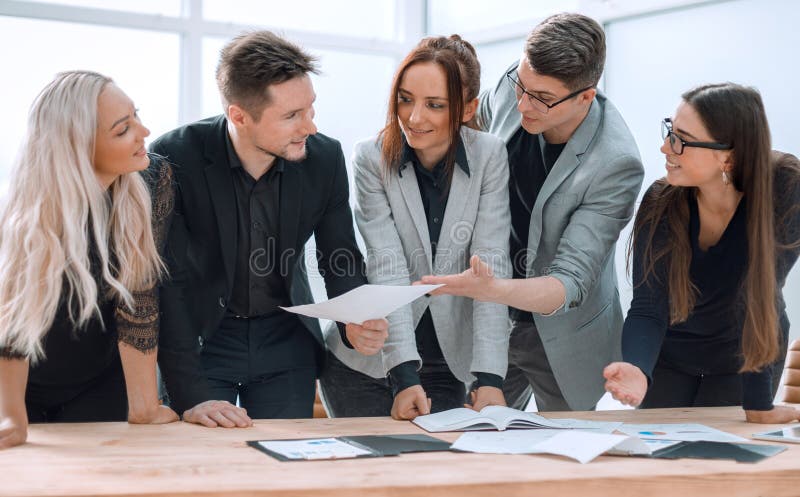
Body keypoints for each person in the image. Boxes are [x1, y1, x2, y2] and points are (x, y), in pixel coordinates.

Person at [150, 30, 388, 423]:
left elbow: (339, 255)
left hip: (286, 338)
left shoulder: (324, 158)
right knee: (205, 471)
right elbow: (167, 281)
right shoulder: (174, 158)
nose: (310, 127)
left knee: (286, 469)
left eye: (310, 109)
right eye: (292, 116)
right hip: (202, 341)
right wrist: (189, 393)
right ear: (239, 116)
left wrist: (353, 321)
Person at [420, 13, 644, 412]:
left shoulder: (616, 164)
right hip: (488, 318)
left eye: (541, 98)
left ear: (585, 97)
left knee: (563, 451)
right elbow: (473, 129)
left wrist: (493, 290)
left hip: (560, 335)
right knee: (473, 440)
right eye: (522, 85)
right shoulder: (519, 83)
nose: (523, 103)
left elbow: (569, 282)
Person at [321, 35, 511, 420]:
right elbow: (387, 265)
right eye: (405, 99)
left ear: (467, 108)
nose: (414, 117)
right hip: (367, 363)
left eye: (435, 105)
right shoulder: (371, 157)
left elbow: (491, 267)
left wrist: (490, 377)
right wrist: (403, 375)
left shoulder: (490, 155)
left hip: (449, 363)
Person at [0, 70, 179, 449]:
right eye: (122, 129)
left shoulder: (151, 179)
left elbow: (140, 298)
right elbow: (10, 323)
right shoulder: (32, 211)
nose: (144, 132)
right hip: (22, 381)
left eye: (137, 116)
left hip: (98, 377)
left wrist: (145, 405)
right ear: (78, 148)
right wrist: (11, 415)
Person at [603, 83, 800, 423]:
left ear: (729, 156)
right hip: (673, 353)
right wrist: (637, 368)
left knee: (721, 458)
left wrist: (757, 405)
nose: (665, 146)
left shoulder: (785, 188)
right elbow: (649, 306)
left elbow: (758, 295)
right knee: (657, 452)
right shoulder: (662, 199)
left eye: (681, 138)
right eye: (670, 130)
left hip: (747, 353)